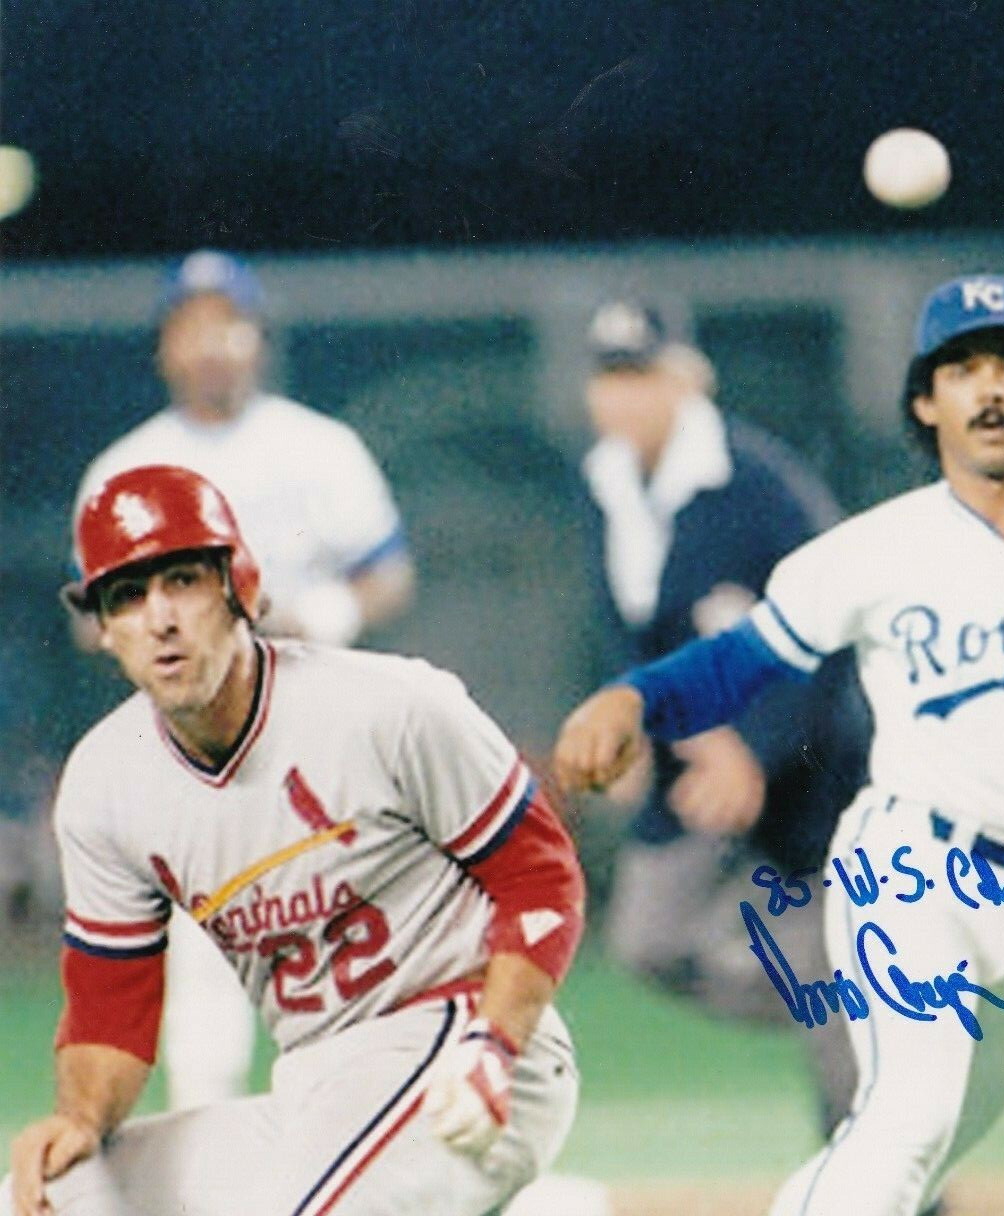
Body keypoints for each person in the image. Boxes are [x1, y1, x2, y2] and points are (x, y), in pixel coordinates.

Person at [555, 275, 1004, 1216]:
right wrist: (635, 698)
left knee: (902, 1161)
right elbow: (745, 658)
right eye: (962, 369)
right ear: (925, 403)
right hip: (909, 868)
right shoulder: (878, 548)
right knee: (904, 1128)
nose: (989, 389)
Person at [5, 464, 584, 1216]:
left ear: (239, 586)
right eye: (128, 596)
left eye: (182, 580)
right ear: (104, 631)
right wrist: (79, 1120)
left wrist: (497, 1042)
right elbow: (111, 1005)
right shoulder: (106, 785)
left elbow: (541, 879)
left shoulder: (388, 706)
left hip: (464, 1048)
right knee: (42, 1202)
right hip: (315, 1087)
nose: (160, 617)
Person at [72, 249, 417, 1111]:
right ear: (164, 347)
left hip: (320, 734)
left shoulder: (317, 444)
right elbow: (88, 615)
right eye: (191, 328)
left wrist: (325, 612)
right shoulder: (126, 467)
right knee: (203, 998)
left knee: (362, 961)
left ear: (258, 339)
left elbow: (389, 570)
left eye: (228, 325)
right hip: (192, 749)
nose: (211, 345)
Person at [575, 296, 865, 1133]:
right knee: (646, 941)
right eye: (609, 379)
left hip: (810, 761)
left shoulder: (758, 482)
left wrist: (753, 747)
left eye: (640, 376)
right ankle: (868, 1004)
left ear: (686, 379)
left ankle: (888, 1176)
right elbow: (624, 631)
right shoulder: (606, 481)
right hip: (692, 757)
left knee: (846, 1072)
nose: (622, 398)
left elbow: (830, 628)